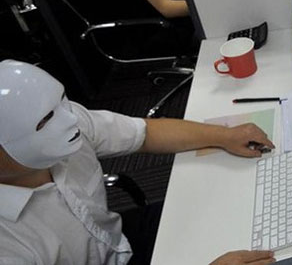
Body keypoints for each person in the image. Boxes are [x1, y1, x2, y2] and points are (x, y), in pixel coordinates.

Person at [0, 60, 276, 264]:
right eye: (46, 120)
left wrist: (225, 135)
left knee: (239, 215)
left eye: (63, 102)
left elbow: (145, 134)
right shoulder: (8, 246)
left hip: (119, 239)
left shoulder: (68, 122)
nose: (70, 120)